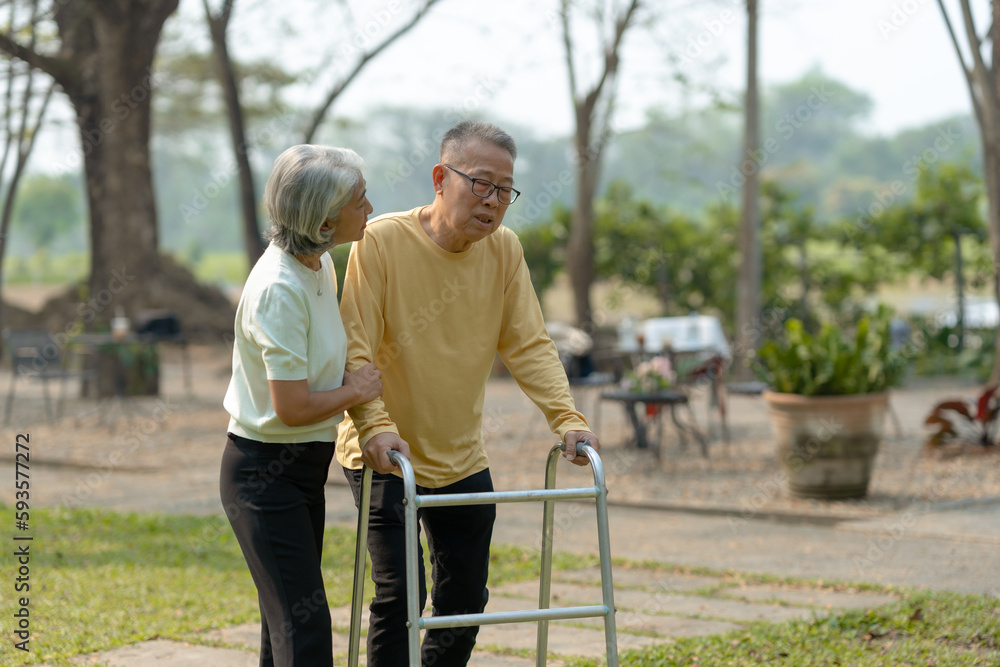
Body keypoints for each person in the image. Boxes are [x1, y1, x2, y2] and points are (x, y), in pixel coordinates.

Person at [337, 121, 601, 666]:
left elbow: (528, 343)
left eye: (505, 189)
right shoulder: (382, 241)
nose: (494, 200)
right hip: (383, 454)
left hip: (460, 454)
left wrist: (566, 418)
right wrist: (376, 427)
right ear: (441, 177)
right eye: (480, 183)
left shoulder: (504, 250)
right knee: (399, 597)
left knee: (464, 599)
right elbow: (354, 350)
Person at [220, 144, 386, 667]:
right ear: (324, 218)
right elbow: (291, 407)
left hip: (301, 470)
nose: (371, 206)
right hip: (264, 474)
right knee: (305, 630)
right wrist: (357, 391)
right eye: (360, 199)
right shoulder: (280, 288)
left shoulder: (318, 267)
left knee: (286, 629)